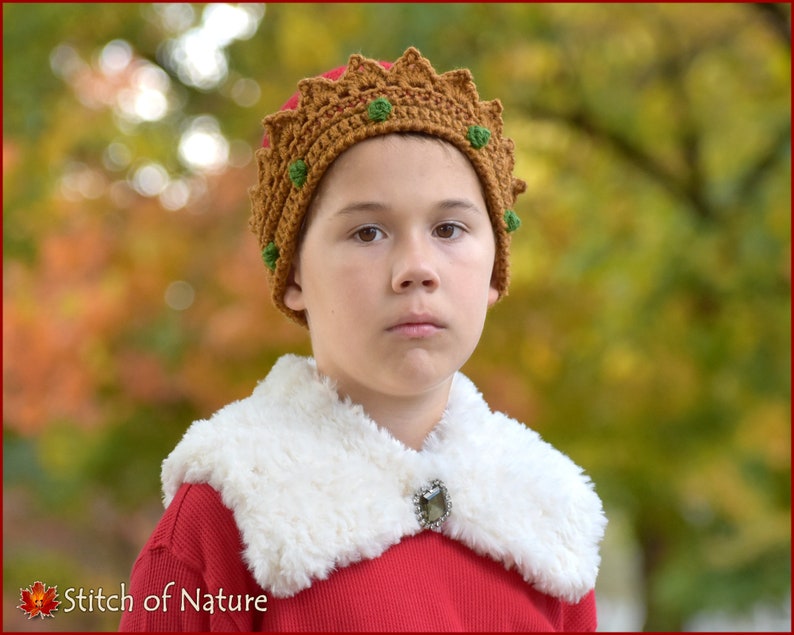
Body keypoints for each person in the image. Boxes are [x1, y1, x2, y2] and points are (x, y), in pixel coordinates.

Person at [119, 47, 607, 632]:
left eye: (449, 228)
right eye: (367, 231)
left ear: (496, 267)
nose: (416, 268)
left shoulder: (549, 517)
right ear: (294, 274)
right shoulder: (224, 518)